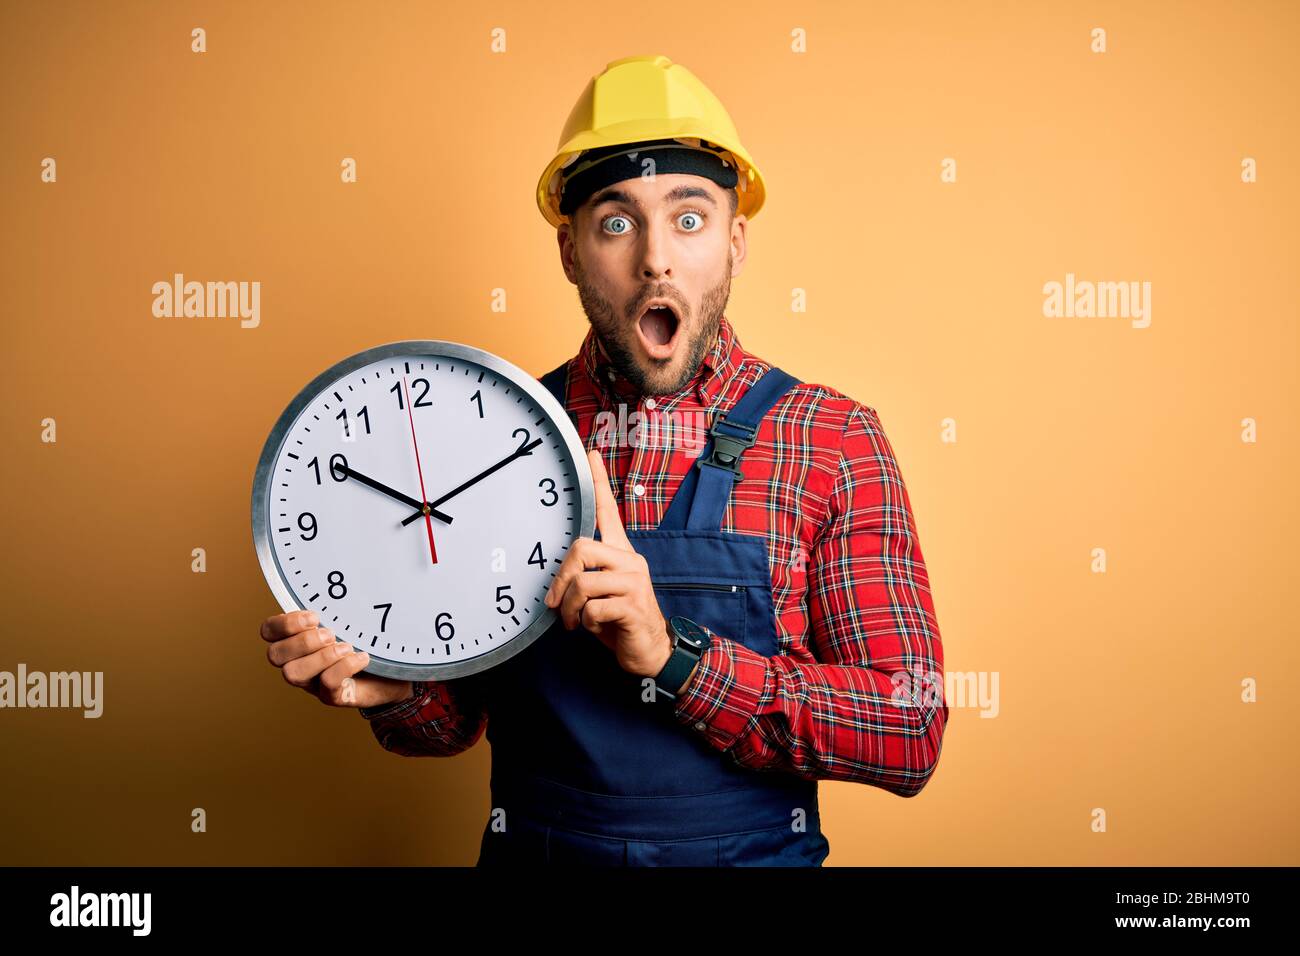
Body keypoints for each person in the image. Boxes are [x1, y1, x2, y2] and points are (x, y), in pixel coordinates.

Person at [259, 54, 947, 866]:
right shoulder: (489, 441)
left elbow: (909, 727)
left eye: (688, 218)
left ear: (735, 242)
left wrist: (674, 655)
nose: (654, 258)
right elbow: (451, 724)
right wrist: (394, 691)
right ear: (570, 252)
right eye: (616, 222)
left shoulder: (830, 439)